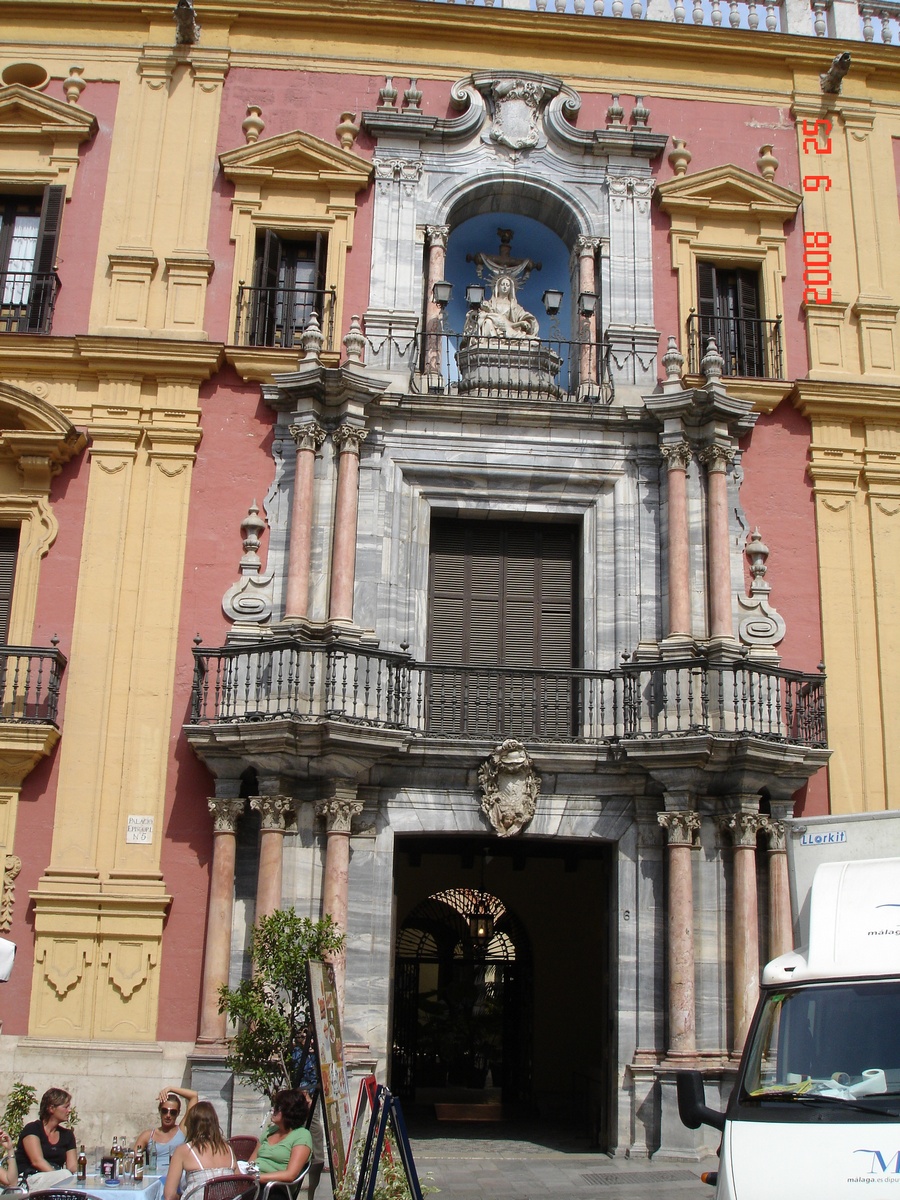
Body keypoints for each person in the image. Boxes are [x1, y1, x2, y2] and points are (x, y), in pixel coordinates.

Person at [163, 1102, 235, 1200]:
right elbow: (240, 1185)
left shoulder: (183, 1151)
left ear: (191, 1124)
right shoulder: (228, 1149)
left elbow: (169, 1196)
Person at [15, 1088, 76, 1186]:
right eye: (66, 1107)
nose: (69, 1111)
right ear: (51, 1108)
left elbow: (72, 1168)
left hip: (54, 1181)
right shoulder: (33, 1129)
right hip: (29, 1178)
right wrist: (59, 1178)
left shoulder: (67, 1135)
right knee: (66, 1175)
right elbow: (37, 1161)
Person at [251, 1089, 312, 1189]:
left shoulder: (302, 1136)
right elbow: (251, 1162)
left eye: (278, 1107)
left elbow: (290, 1175)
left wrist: (257, 1178)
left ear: (290, 1111)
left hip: (275, 1188)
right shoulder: (270, 1131)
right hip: (254, 1183)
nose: (273, 1109)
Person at [135, 1085, 198, 1174]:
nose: (168, 1115)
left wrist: (170, 1089)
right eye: (165, 1111)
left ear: (178, 1113)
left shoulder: (182, 1129)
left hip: (177, 1177)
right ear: (159, 1111)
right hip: (154, 1178)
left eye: (173, 1112)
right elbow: (133, 1158)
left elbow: (194, 1096)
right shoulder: (148, 1135)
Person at [464, 273, 539, 341]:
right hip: (495, 329)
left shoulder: (514, 306)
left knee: (518, 335)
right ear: (498, 287)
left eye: (507, 285)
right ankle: (492, 340)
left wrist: (527, 320)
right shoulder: (490, 303)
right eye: (503, 284)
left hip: (510, 329)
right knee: (487, 322)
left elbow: (522, 315)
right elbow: (480, 314)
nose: (505, 287)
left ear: (511, 289)